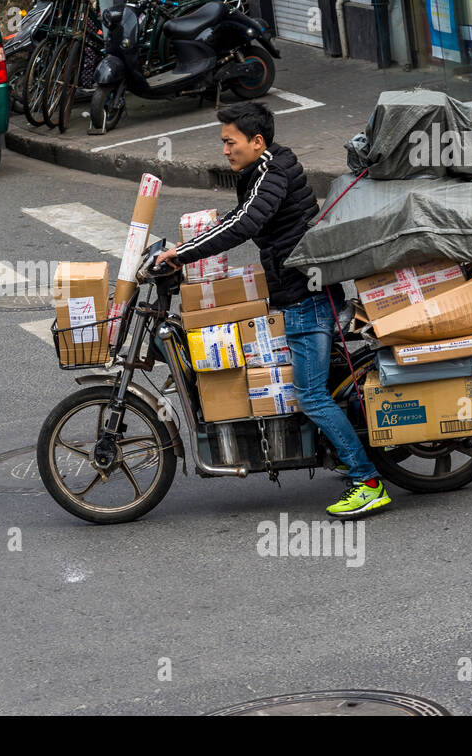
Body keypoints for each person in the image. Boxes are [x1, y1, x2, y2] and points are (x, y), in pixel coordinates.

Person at [154, 101, 392, 521]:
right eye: (223, 143)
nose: (225, 150)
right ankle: (345, 450)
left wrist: (185, 253)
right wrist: (188, 249)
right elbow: (241, 217)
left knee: (311, 395)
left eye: (230, 142)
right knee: (322, 386)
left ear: (256, 140)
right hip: (301, 286)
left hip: (304, 294)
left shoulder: (270, 172)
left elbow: (245, 224)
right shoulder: (265, 167)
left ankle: (367, 482)